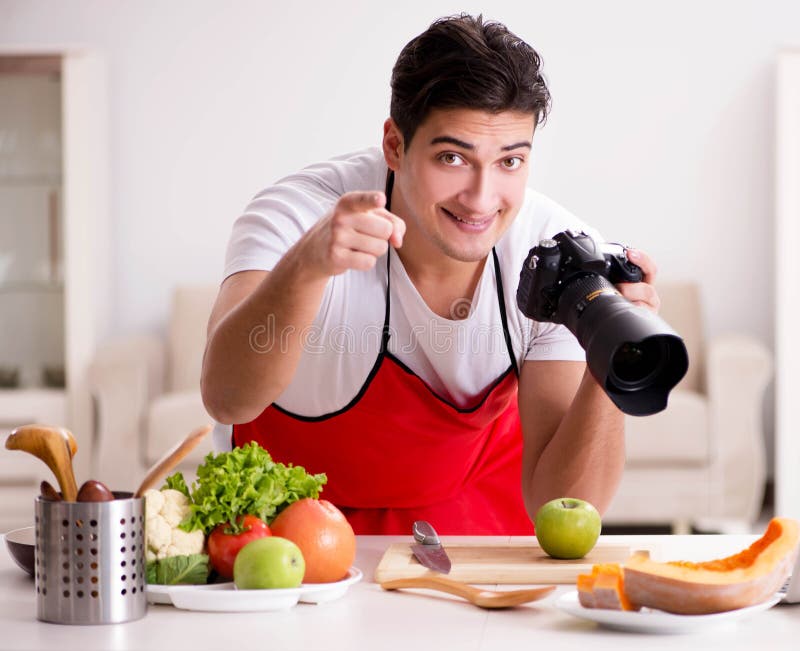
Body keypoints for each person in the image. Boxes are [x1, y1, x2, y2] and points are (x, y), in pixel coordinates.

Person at [201, 14, 660, 535]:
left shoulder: (554, 253)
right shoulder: (297, 218)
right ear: (394, 145)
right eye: (452, 157)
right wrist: (305, 269)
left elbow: (563, 505)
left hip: (464, 526)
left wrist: (608, 358)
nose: (481, 198)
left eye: (510, 161)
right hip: (288, 535)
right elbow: (225, 398)